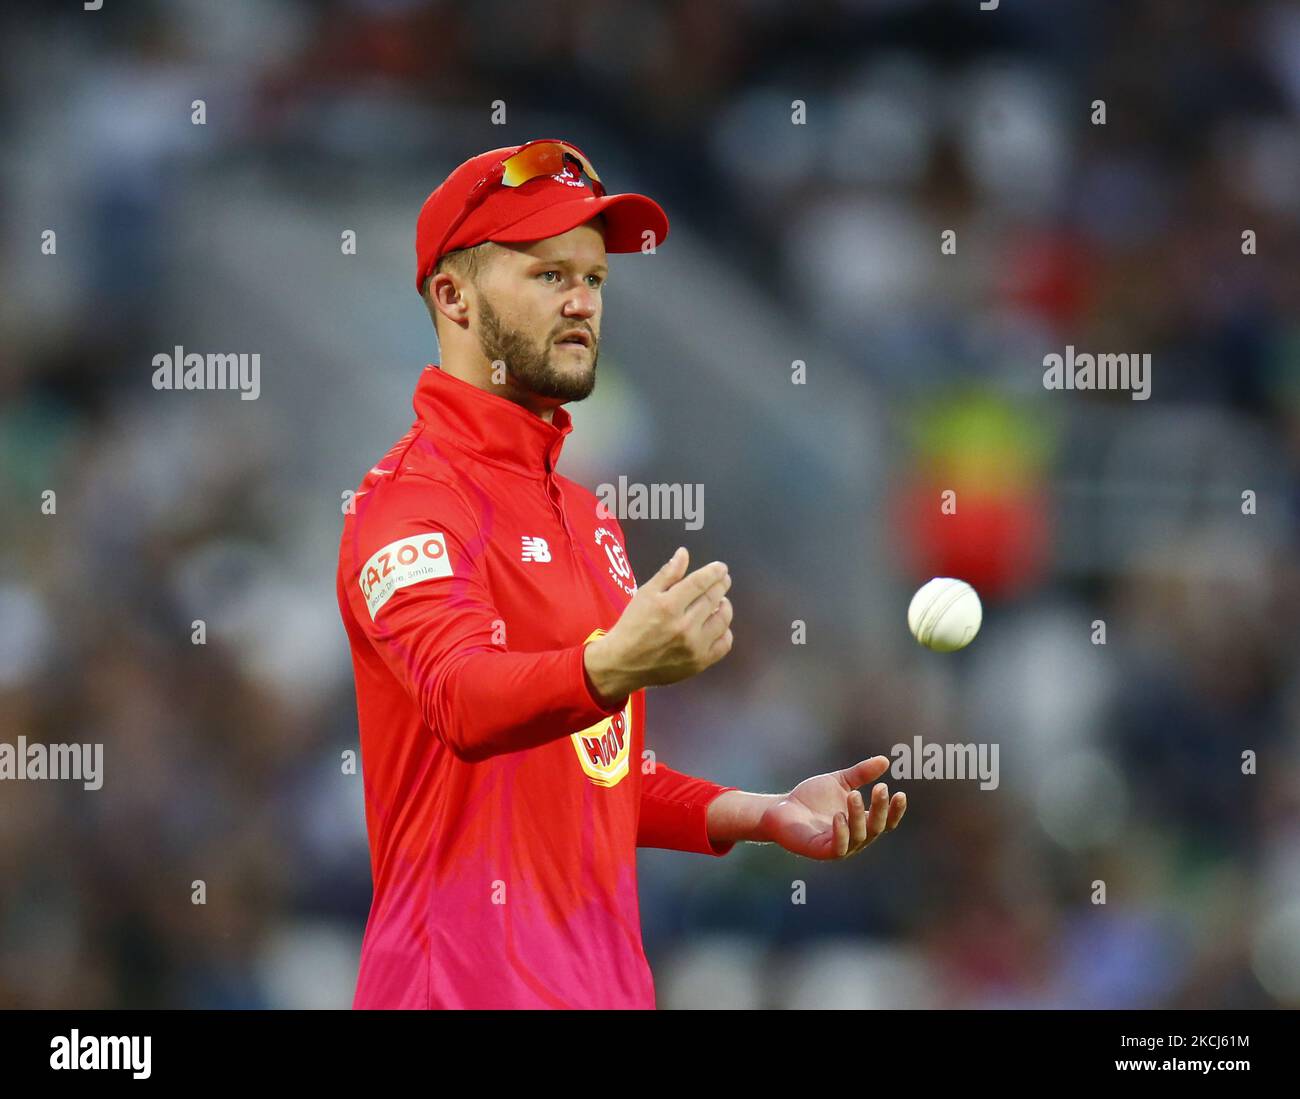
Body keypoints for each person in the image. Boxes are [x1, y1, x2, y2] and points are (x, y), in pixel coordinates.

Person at [336, 139, 907, 1009]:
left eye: (595, 280)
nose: (580, 302)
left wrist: (758, 811)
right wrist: (614, 664)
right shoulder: (412, 503)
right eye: (546, 274)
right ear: (451, 295)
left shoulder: (585, 513)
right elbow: (460, 699)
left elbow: (595, 773)